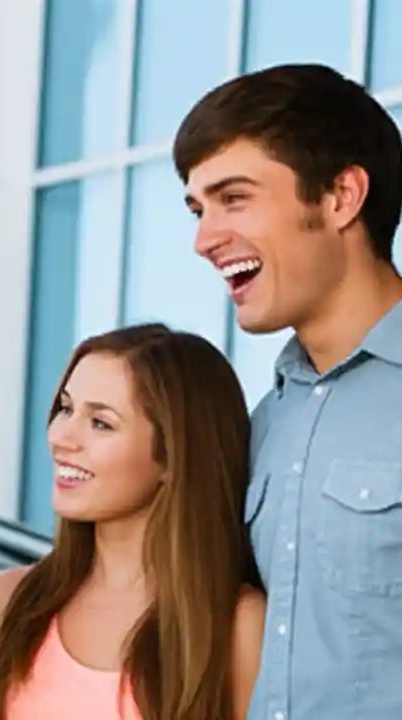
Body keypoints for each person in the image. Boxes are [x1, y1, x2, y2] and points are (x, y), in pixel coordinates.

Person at [174, 63, 402, 720]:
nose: (203, 239)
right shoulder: (268, 423)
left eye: (234, 198)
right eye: (197, 208)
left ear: (339, 197)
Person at [0, 324, 266, 720]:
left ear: (174, 457)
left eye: (101, 423)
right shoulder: (7, 601)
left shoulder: (238, 628)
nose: (60, 437)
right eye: (66, 409)